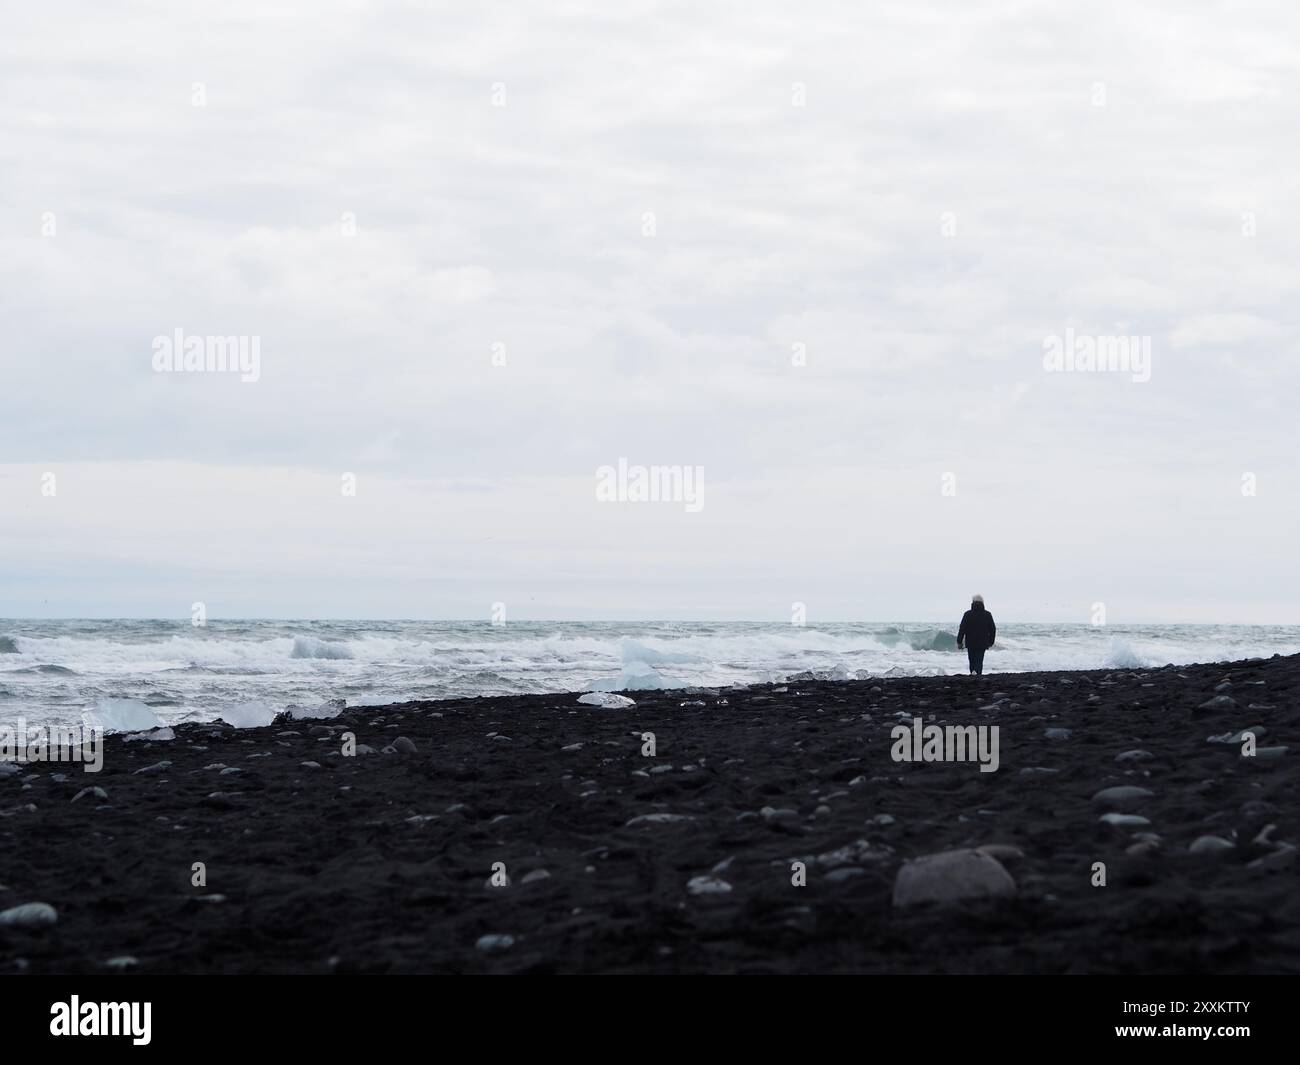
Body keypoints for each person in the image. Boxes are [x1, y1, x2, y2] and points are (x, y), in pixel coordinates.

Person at [956, 594, 995, 675]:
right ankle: (977, 673)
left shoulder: (967, 614)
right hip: (983, 641)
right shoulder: (987, 614)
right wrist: (991, 641)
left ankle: (973, 673)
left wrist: (959, 641)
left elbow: (962, 628)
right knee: (979, 659)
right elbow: (993, 629)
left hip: (970, 641)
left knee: (972, 659)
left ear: (972, 603)